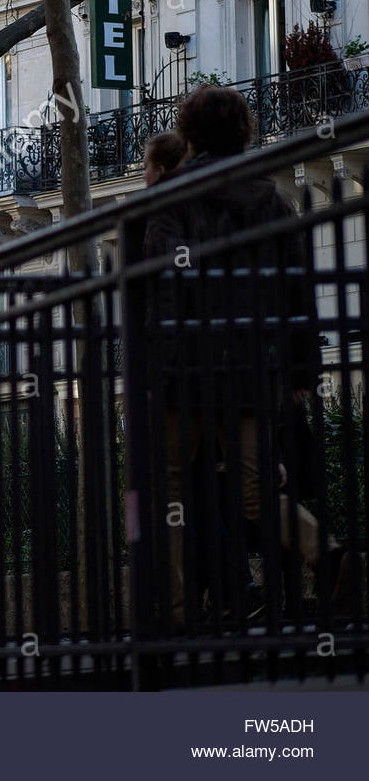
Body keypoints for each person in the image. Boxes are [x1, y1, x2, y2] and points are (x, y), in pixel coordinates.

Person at [142, 86, 356, 623]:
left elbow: (159, 284)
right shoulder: (269, 199)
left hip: (182, 370)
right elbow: (296, 287)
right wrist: (302, 366)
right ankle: (326, 555)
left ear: (188, 136)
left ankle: (175, 613)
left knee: (167, 491)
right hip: (246, 369)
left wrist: (154, 363)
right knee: (256, 494)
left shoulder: (170, 197)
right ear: (245, 134)